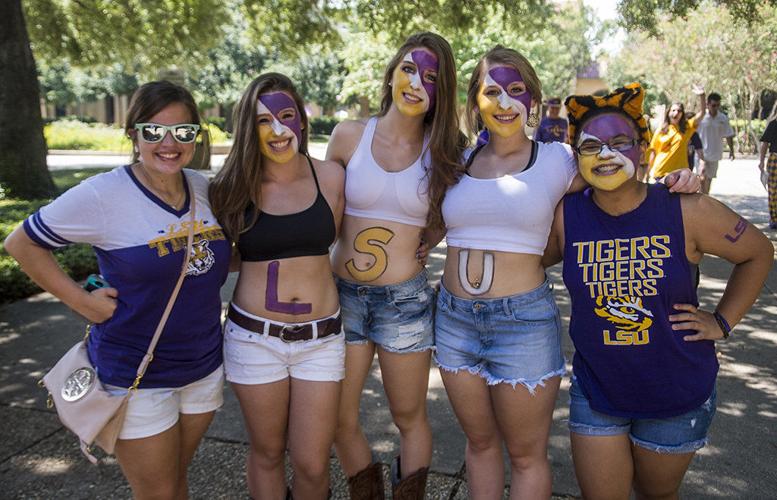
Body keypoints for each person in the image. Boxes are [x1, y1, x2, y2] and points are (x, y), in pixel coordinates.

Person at [430, 47, 701, 500]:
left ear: (533, 99)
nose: (504, 102)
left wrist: (677, 183)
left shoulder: (558, 160)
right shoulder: (458, 163)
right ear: (475, 100)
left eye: (516, 91)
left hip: (522, 325)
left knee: (525, 454)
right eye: (491, 91)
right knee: (477, 444)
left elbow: (617, 171)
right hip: (454, 319)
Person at [542, 83, 773, 500]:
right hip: (597, 390)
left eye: (619, 142)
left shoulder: (684, 207)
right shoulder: (566, 214)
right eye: (591, 145)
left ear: (643, 148)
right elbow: (520, 255)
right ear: (577, 156)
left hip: (676, 392)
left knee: (657, 495)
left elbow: (758, 252)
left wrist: (722, 321)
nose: (606, 153)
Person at [4, 81, 231, 498]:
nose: (169, 143)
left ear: (196, 137)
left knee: (176, 483)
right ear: (133, 134)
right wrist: (80, 300)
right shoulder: (104, 194)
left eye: (183, 132)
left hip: (203, 368)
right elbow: (20, 243)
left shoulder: (203, 188)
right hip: (137, 375)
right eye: (153, 131)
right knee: (158, 493)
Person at [326, 32, 465, 499]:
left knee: (409, 417)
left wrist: (431, 237)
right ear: (392, 72)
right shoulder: (349, 136)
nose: (416, 83)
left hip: (404, 302)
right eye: (409, 69)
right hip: (341, 298)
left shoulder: (444, 151)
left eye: (431, 77)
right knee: (339, 419)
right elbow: (324, 213)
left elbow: (461, 208)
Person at [208, 73, 345, 500]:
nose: (279, 129)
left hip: (321, 340)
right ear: (250, 128)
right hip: (254, 339)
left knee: (312, 462)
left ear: (302, 120)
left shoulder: (332, 178)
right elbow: (217, 255)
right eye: (264, 120)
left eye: (287, 116)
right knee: (266, 453)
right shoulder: (231, 186)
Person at [648, 87, 706, 180]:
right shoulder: (661, 130)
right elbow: (653, 152)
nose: (676, 113)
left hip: (680, 173)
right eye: (673, 110)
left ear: (682, 114)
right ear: (668, 112)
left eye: (679, 111)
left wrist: (702, 96)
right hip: (661, 172)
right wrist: (648, 171)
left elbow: (702, 114)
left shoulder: (687, 128)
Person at [697, 92, 735, 194]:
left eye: (718, 105)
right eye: (713, 105)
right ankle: (702, 199)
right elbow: (692, 133)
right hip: (701, 154)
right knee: (701, 177)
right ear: (708, 104)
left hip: (715, 154)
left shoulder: (722, 118)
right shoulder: (701, 117)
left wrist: (732, 150)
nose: (716, 108)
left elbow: (728, 135)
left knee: (709, 179)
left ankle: (705, 198)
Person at [758, 112, 777, 229]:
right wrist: (761, 161)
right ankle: (774, 218)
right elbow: (764, 144)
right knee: (773, 190)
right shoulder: (773, 124)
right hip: (775, 159)